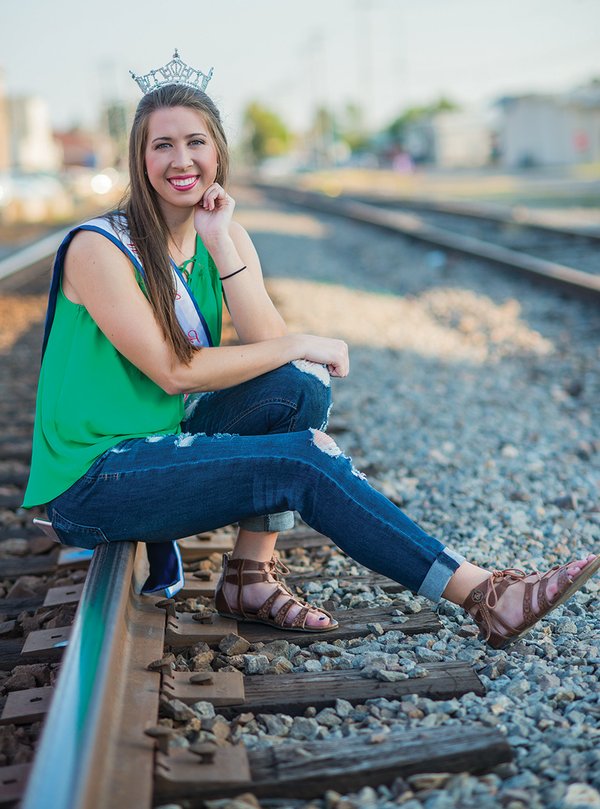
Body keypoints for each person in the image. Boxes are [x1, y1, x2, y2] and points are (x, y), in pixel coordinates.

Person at [22, 52, 598, 649]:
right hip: (97, 477)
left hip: (158, 439)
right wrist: (301, 339)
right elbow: (173, 373)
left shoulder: (220, 234)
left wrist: (223, 245)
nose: (181, 160)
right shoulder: (101, 249)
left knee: (301, 381)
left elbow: (274, 352)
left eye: (195, 142)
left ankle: (248, 576)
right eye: (161, 145)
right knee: (301, 459)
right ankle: (483, 594)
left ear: (218, 151)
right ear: (140, 159)